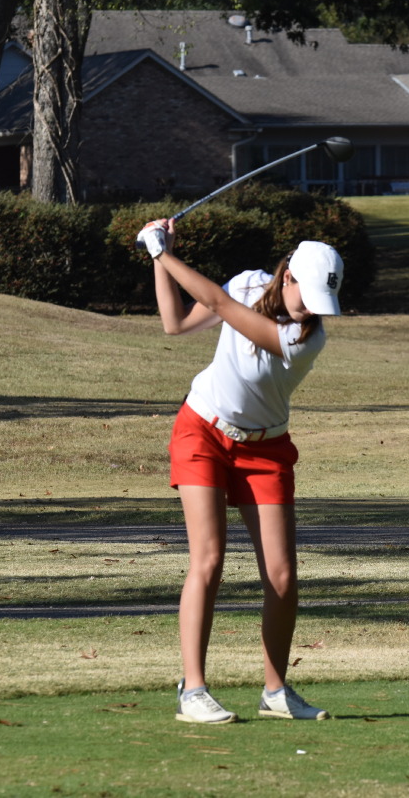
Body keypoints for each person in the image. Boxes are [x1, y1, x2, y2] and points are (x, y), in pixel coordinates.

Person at [135, 217, 344, 725]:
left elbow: (221, 304)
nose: (313, 310)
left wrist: (162, 253)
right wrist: (160, 258)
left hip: (265, 449)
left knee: (282, 575)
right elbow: (176, 323)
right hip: (203, 431)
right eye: (308, 296)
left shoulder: (305, 338)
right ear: (287, 276)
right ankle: (193, 690)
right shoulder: (248, 283)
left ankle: (276, 691)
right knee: (208, 560)